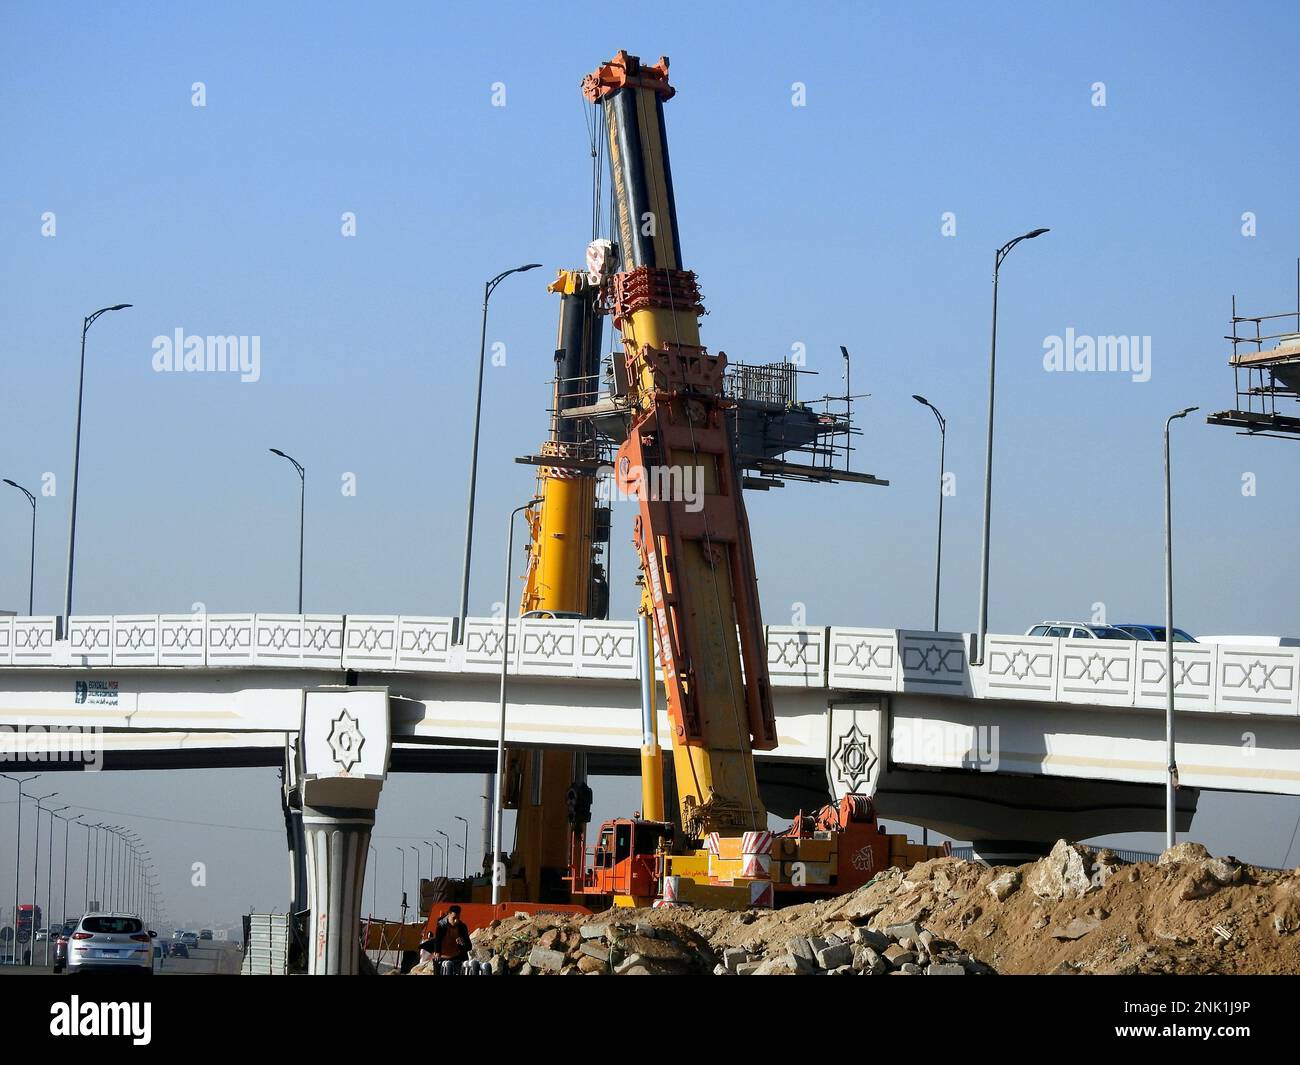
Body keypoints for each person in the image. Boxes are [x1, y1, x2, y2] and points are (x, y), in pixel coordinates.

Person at [418, 906, 471, 970]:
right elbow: (438, 940)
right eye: (454, 918)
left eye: (458, 918)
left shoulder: (462, 927)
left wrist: (463, 942)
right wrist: (437, 952)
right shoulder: (441, 926)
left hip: (457, 957)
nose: (456, 920)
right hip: (442, 956)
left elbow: (469, 946)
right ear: (449, 914)